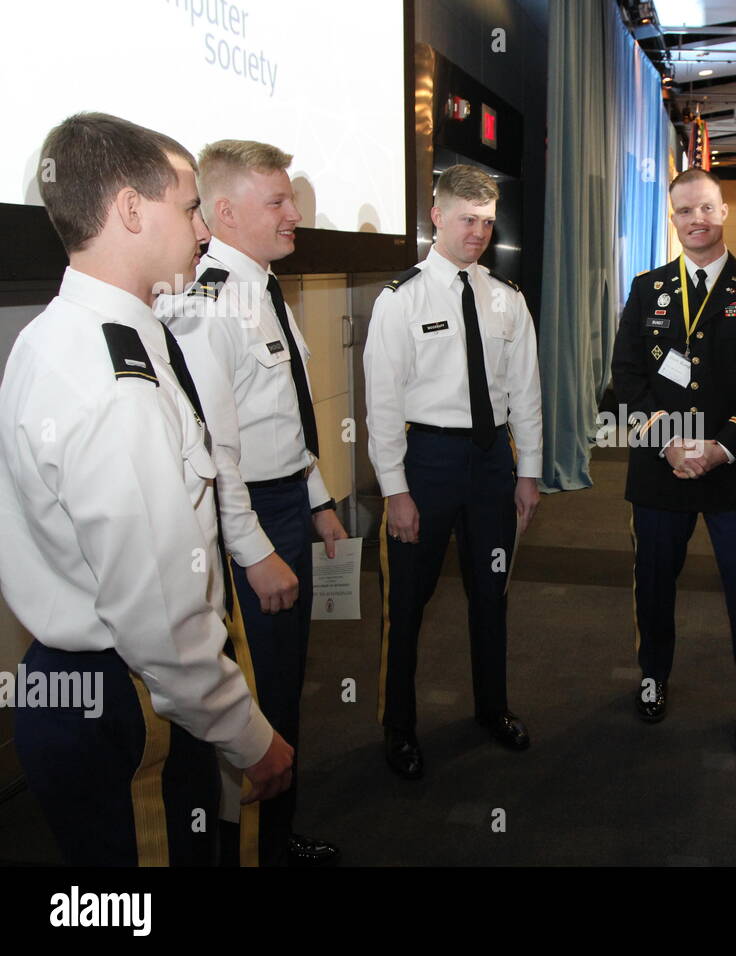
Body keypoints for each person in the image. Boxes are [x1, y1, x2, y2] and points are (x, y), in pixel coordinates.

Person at [0, 112, 292, 865]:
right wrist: (251, 738)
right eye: (191, 207)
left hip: (74, 684)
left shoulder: (54, 336)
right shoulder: (114, 383)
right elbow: (159, 619)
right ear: (131, 210)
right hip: (127, 702)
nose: (202, 231)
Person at [156, 139, 345, 867]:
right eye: (278, 201)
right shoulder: (208, 307)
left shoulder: (262, 287)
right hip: (247, 520)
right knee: (255, 697)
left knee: (287, 685)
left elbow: (283, 419)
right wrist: (257, 549)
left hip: (287, 501)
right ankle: (249, 850)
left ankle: (277, 838)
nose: (295, 213)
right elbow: (217, 453)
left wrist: (320, 497)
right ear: (225, 211)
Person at [364, 164, 542, 779]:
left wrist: (530, 471)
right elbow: (382, 406)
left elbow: (526, 391)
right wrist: (395, 491)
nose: (479, 233)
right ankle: (400, 727)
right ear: (436, 217)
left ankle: (492, 708)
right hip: (428, 463)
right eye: (468, 220)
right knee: (408, 603)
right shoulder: (401, 299)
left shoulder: (506, 298)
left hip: (493, 462)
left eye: (488, 222)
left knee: (491, 594)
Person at [610, 167, 736, 750]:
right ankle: (653, 677)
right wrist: (667, 439)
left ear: (725, 210)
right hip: (662, 468)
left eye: (707, 208)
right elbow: (627, 377)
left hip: (731, 468)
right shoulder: (647, 288)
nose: (697, 220)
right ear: (673, 217)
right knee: (654, 584)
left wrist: (722, 447)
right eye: (685, 211)